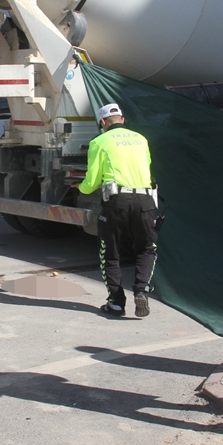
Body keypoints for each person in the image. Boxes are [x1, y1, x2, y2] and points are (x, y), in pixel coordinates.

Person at [77, 103, 158, 318]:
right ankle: (141, 290)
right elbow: (147, 167)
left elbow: (92, 181)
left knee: (110, 253)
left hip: (117, 202)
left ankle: (116, 303)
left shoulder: (99, 142)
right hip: (145, 200)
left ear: (103, 122)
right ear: (123, 120)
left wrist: (81, 187)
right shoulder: (141, 139)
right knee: (146, 249)